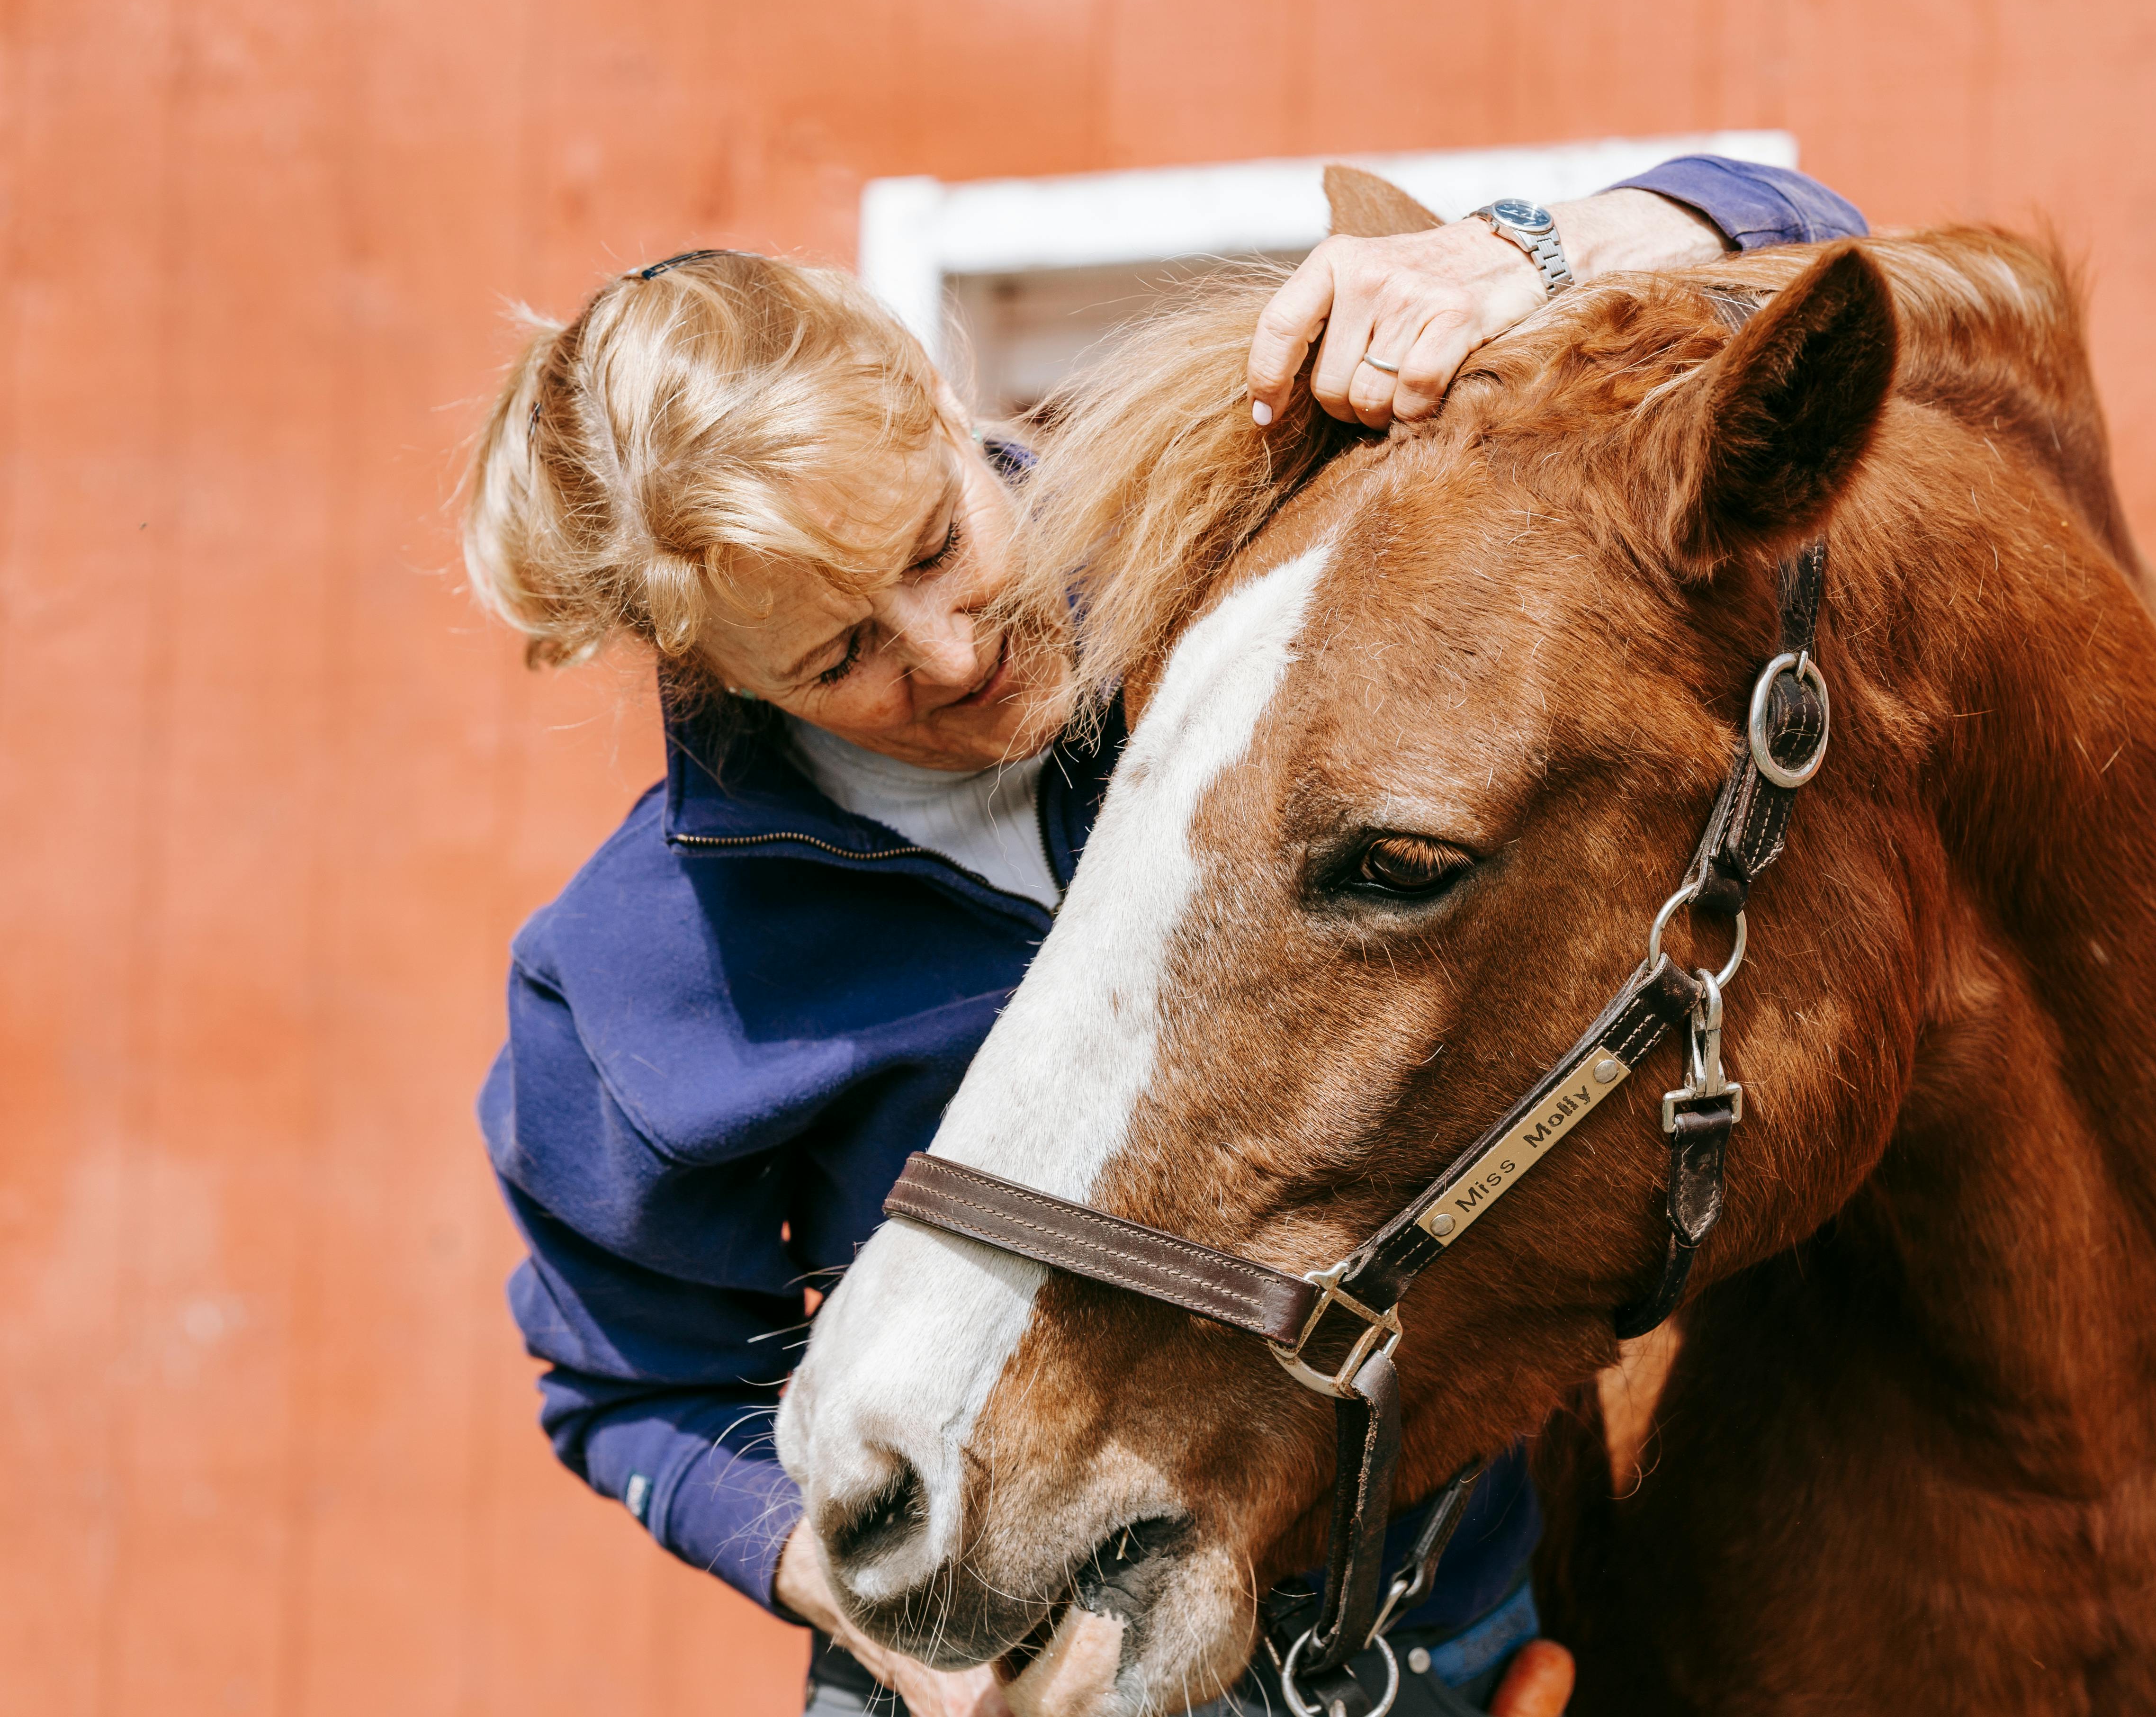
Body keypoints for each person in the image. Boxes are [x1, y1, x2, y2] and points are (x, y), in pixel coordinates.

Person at [466, 157, 1868, 1716]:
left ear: (944, 398)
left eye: (938, 545)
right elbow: (628, 1387)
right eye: (840, 651)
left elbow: (1823, 248)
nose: (952, 652)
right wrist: (879, 1630)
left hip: (1452, 1634)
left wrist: (1517, 252)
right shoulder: (638, 968)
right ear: (705, 661)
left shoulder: (1252, 550)